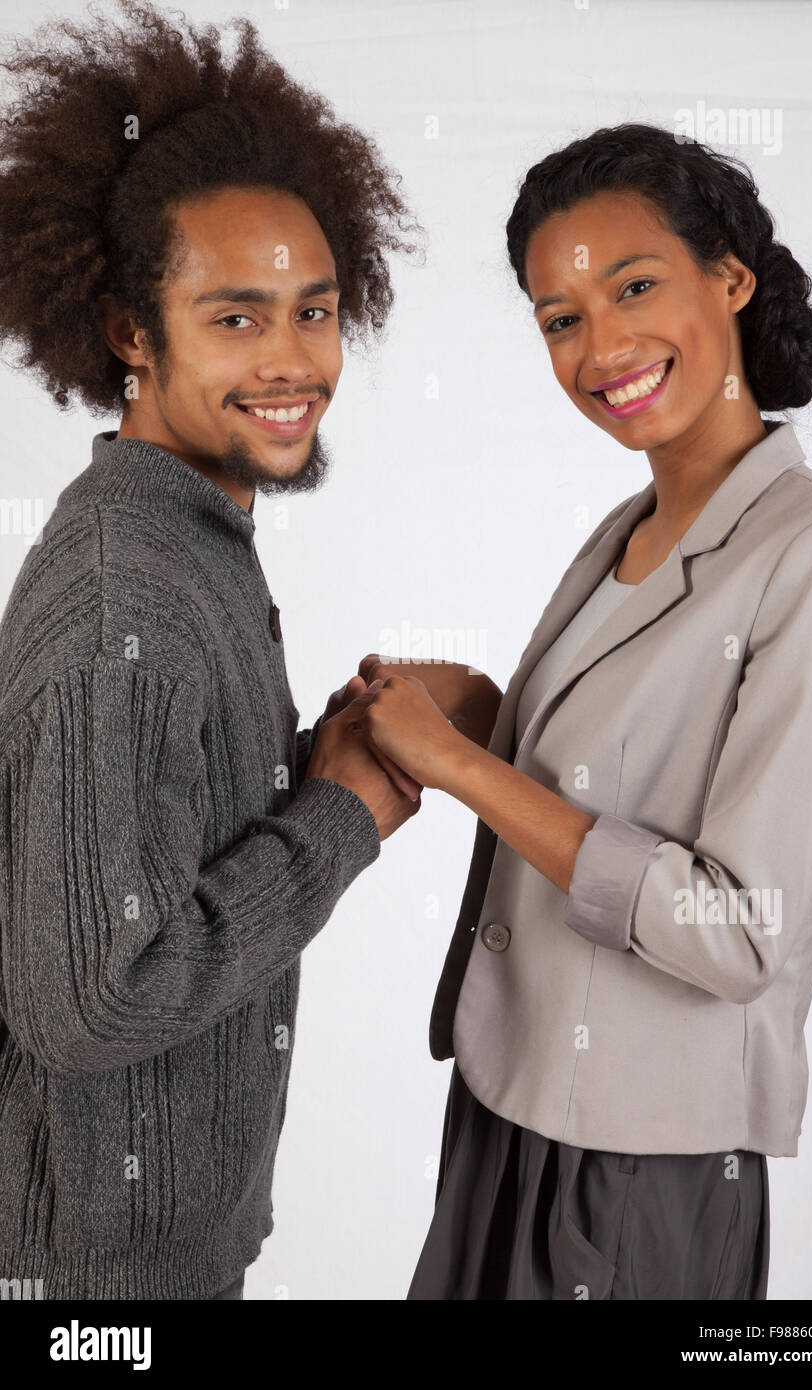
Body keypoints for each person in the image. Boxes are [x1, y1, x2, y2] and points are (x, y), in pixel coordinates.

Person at [0, 0, 470, 1302]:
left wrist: (321, 753)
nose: (292, 361)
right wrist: (342, 813)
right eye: (235, 317)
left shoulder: (193, 538)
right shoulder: (119, 595)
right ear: (128, 331)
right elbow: (98, 996)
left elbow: (153, 853)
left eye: (313, 311)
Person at [346, 123, 812, 1299]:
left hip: (634, 1167)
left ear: (727, 276)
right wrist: (475, 710)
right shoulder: (628, 529)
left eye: (632, 285)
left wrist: (467, 770)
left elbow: (737, 933)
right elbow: (608, 772)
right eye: (559, 317)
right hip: (508, 1104)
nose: (600, 345)